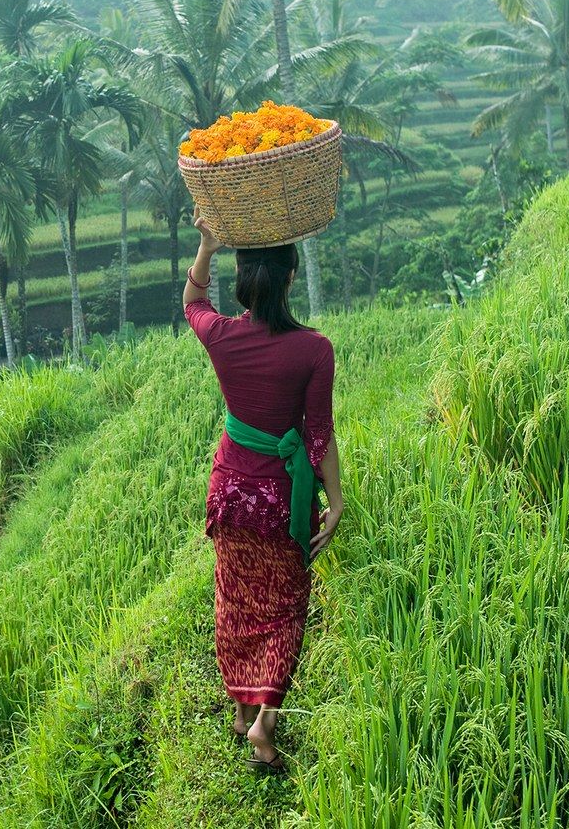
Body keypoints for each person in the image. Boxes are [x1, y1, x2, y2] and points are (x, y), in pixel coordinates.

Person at [183, 211, 344, 775]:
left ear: (245, 282)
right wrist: (338, 502)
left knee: (236, 601)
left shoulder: (224, 338)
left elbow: (193, 304)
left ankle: (238, 707)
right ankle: (264, 724)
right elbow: (318, 435)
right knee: (285, 607)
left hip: (230, 493)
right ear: (291, 279)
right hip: (281, 501)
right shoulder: (314, 350)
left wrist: (206, 245)